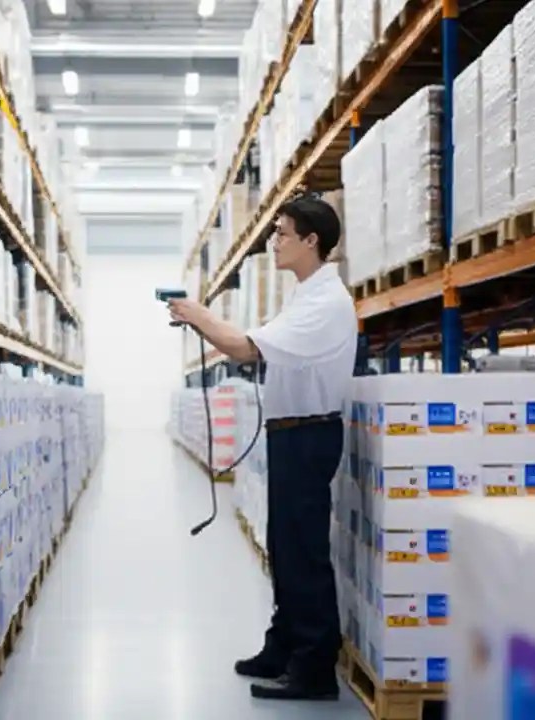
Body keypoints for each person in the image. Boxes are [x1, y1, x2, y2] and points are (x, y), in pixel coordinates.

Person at [167, 195, 356, 701]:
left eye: (282, 233)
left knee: (304, 552)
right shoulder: (304, 296)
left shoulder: (325, 303)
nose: (274, 242)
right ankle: (284, 646)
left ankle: (313, 669)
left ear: (311, 241)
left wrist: (199, 315)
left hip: (309, 436)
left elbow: (247, 348)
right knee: (285, 548)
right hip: (292, 433)